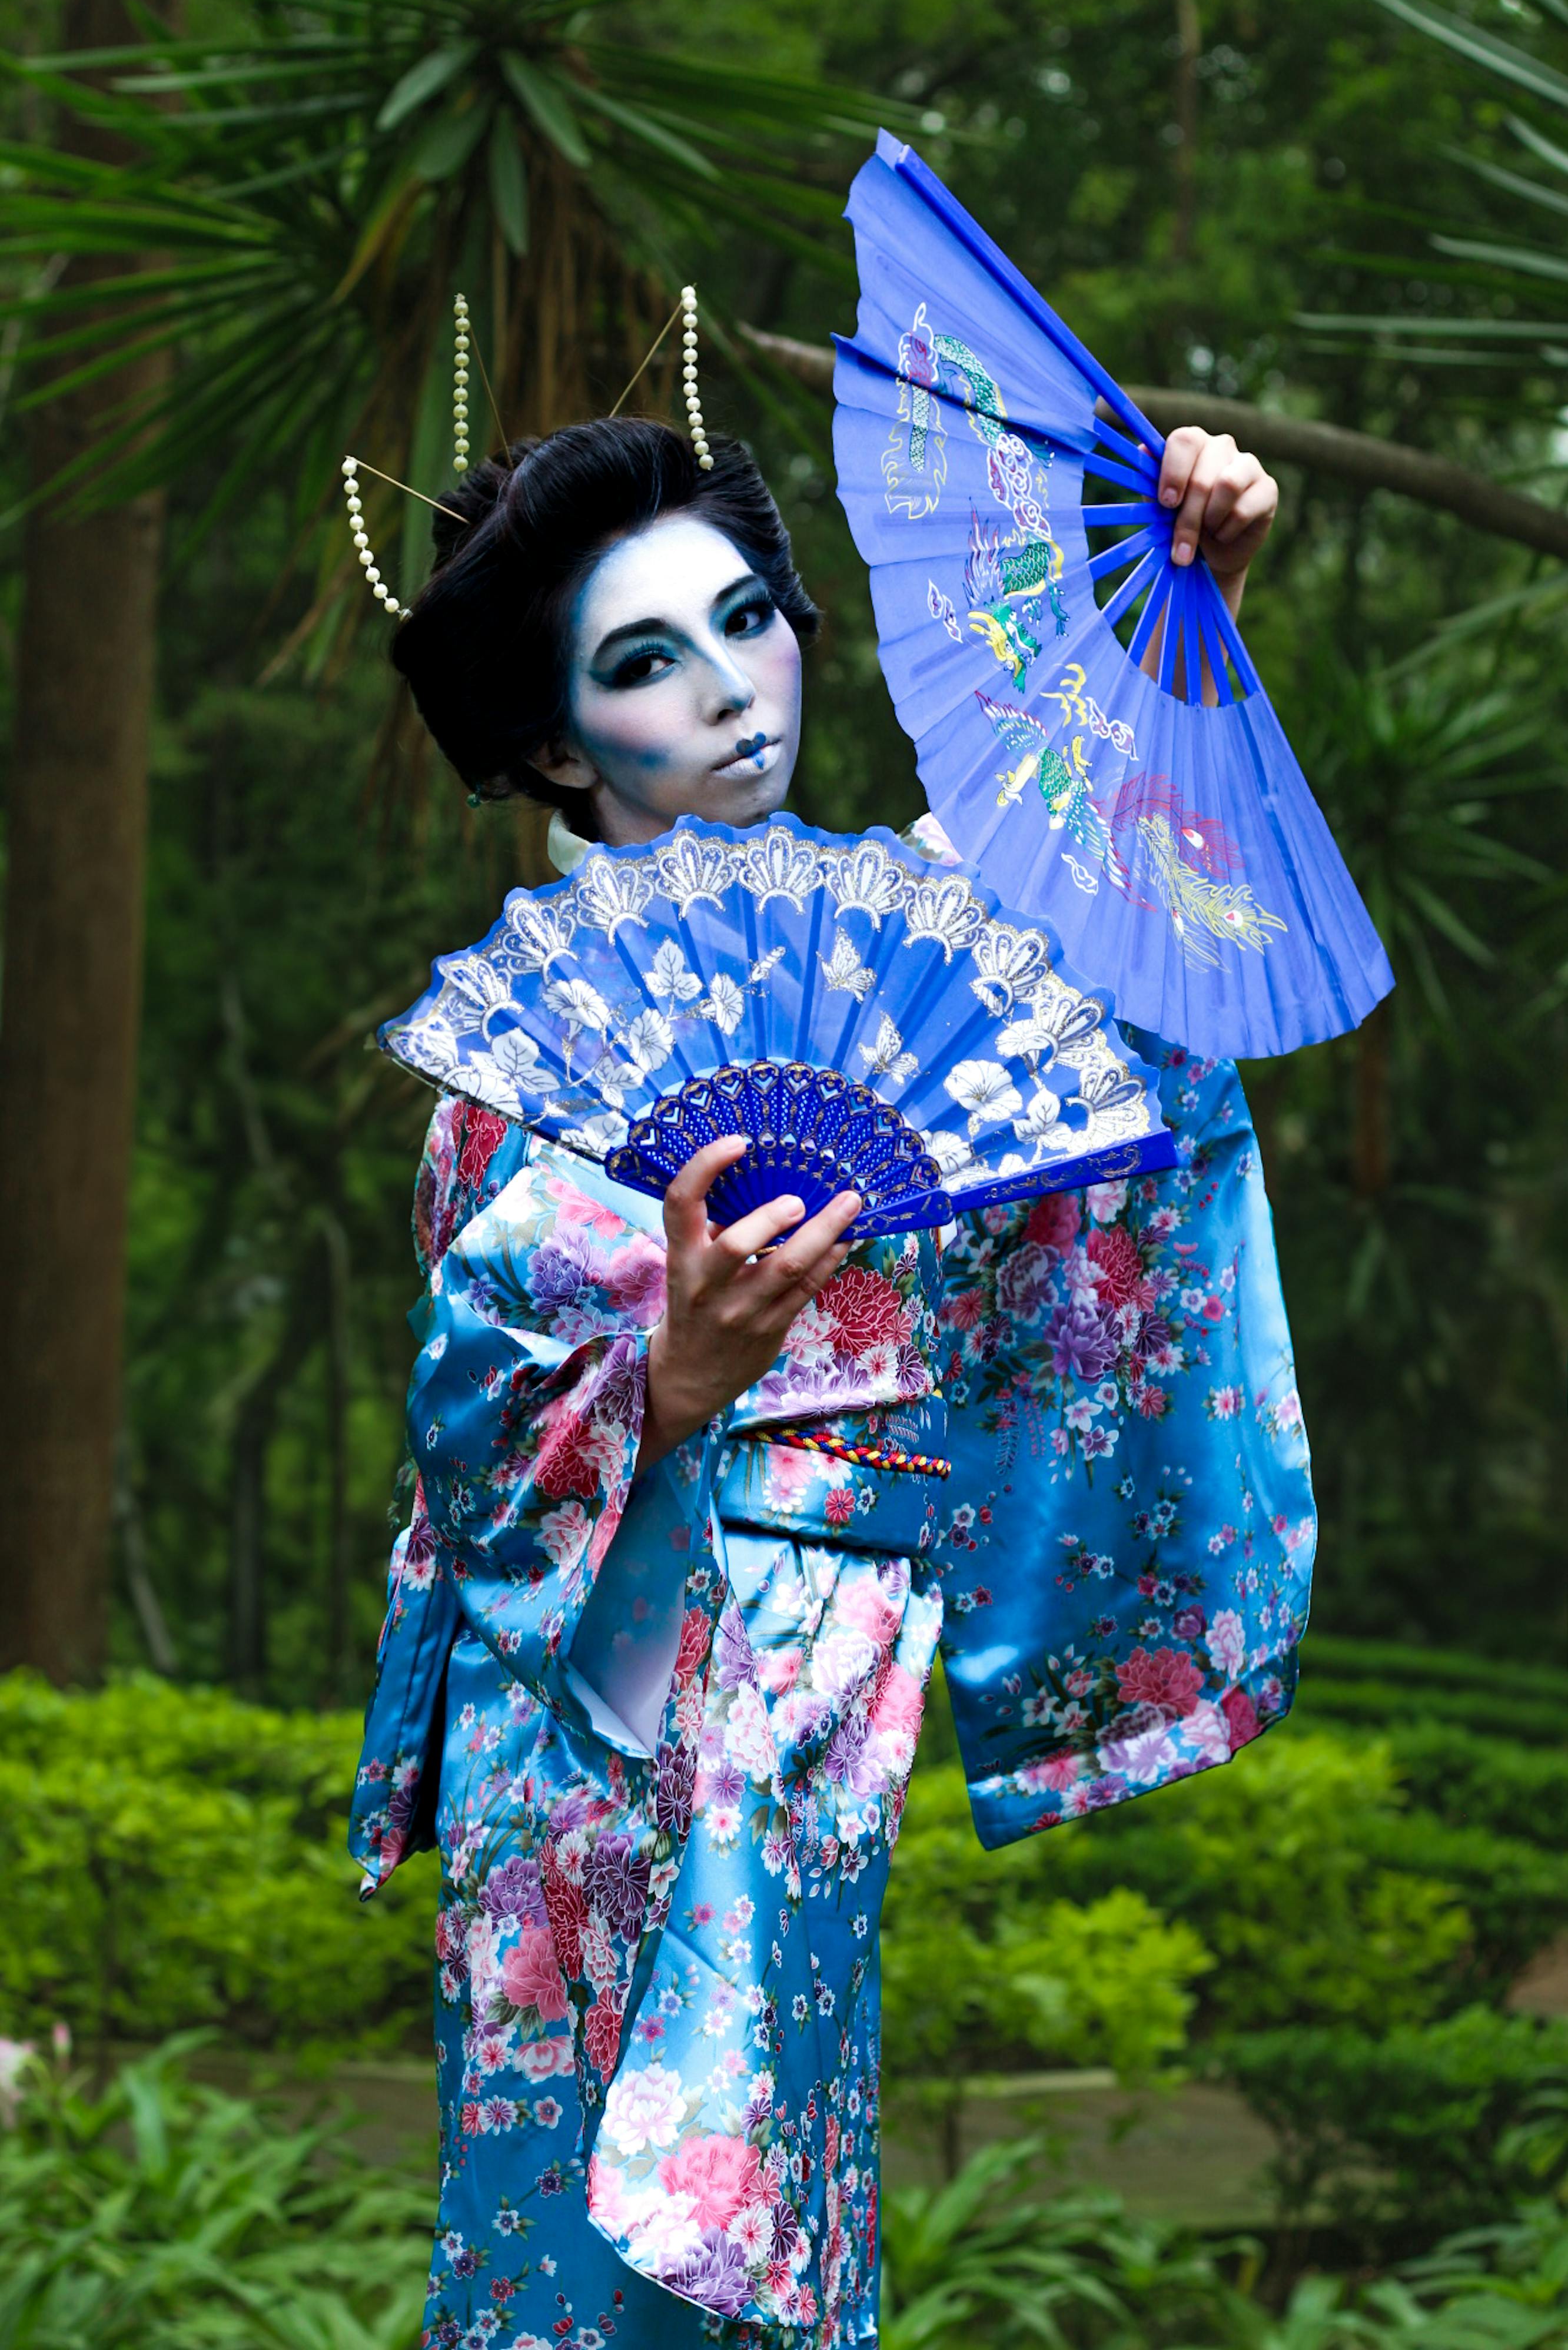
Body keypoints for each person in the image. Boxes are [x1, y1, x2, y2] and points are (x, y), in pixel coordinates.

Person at [350, 414, 1313, 2350]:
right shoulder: (515, 1067)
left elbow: (1127, 933)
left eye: (747, 620)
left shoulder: (939, 940)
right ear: (552, 745)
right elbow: (478, 1450)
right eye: (642, 664)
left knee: (773, 2227)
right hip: (599, 1689)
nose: (726, 693)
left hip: (818, 1689)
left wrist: (1183, 605)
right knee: (579, 2244)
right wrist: (668, 1385)